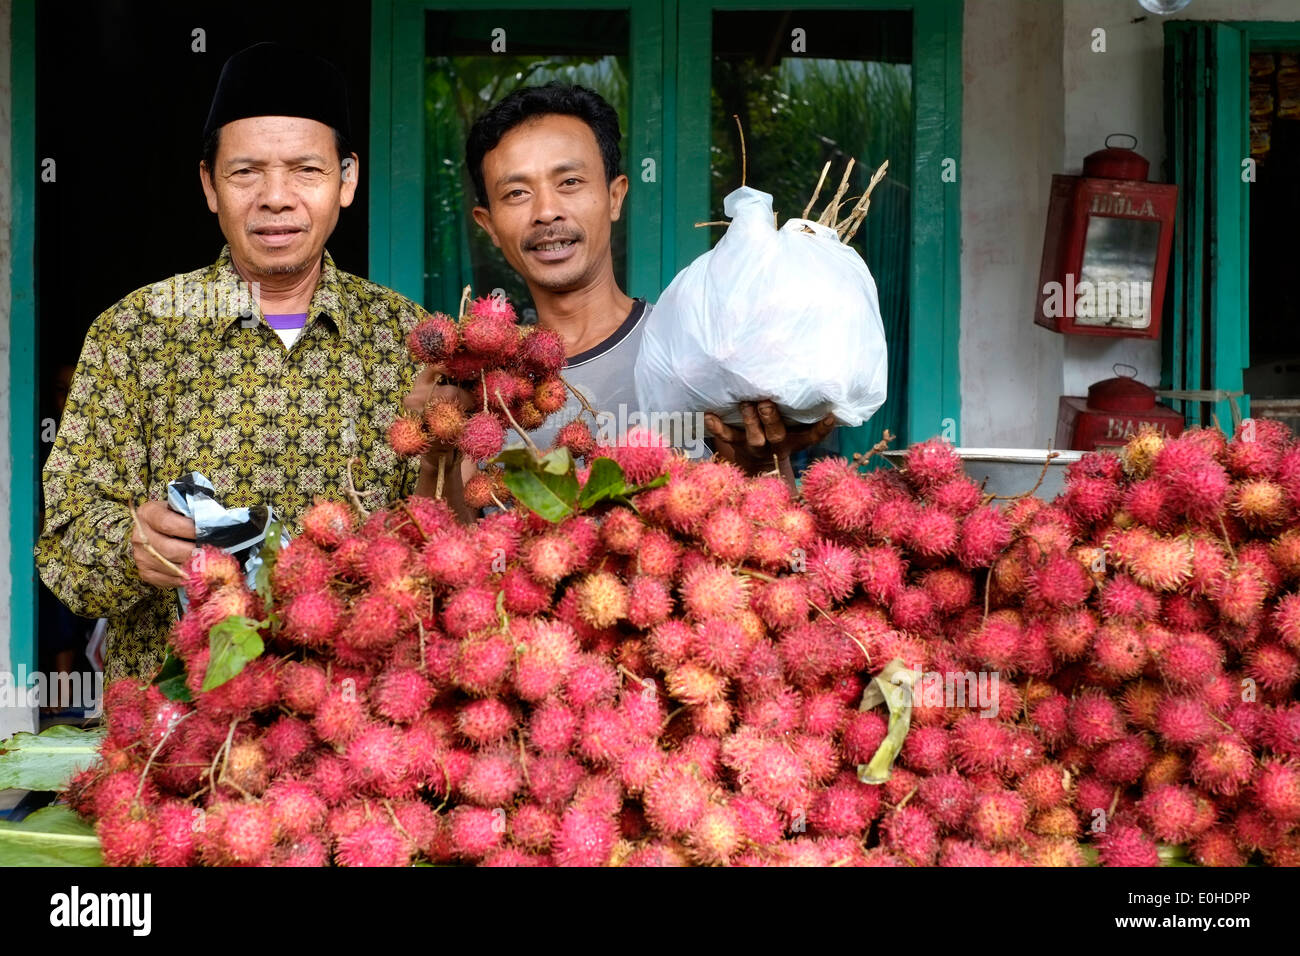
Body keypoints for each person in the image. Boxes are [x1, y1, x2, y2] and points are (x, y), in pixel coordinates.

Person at [36, 43, 431, 682]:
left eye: (306, 169)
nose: (275, 198)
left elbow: (441, 539)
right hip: (178, 744)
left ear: (347, 180)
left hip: (355, 733)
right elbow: (64, 551)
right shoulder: (135, 333)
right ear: (209, 185)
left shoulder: (407, 339)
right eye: (246, 172)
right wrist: (131, 545)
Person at [404, 83, 835, 503]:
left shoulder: (696, 352)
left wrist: (760, 464)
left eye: (569, 182)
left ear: (615, 196)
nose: (546, 211)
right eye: (517, 193)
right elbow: (440, 550)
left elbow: (765, 538)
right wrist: (435, 457)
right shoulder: (476, 384)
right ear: (489, 225)